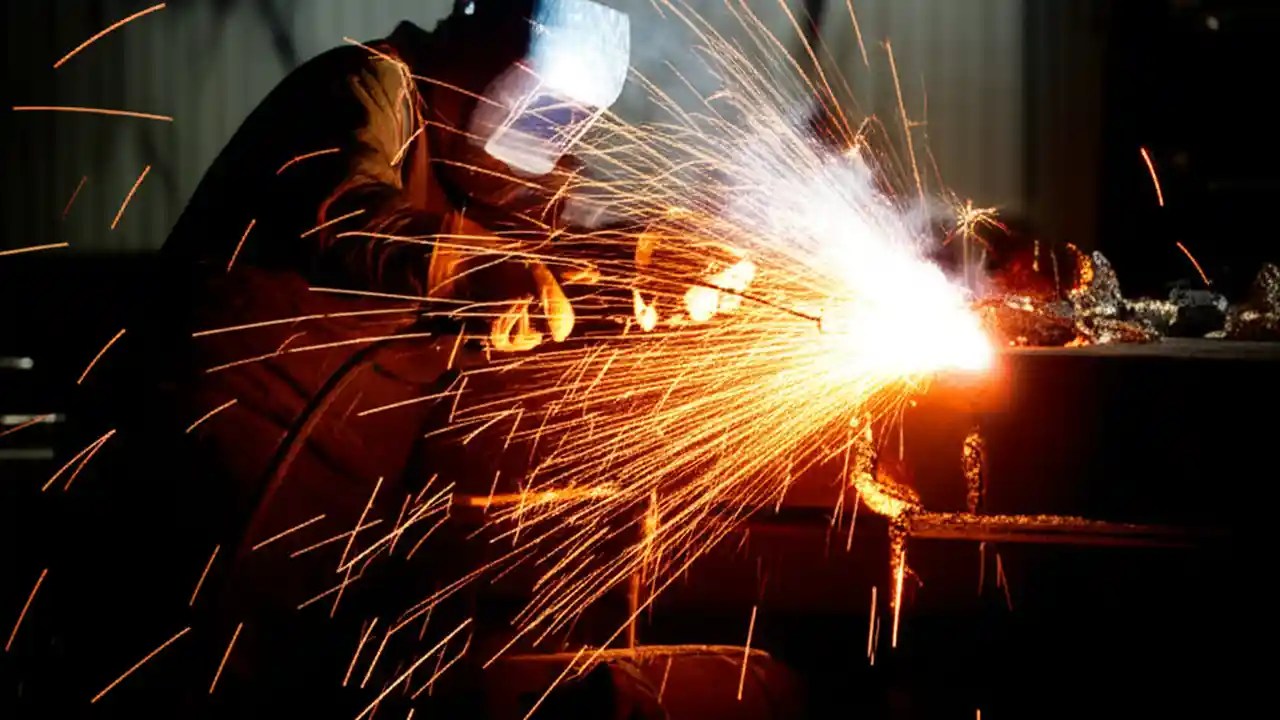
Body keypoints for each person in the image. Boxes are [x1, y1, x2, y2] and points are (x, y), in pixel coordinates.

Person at [31, 2, 661, 717]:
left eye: (562, 121)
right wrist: (471, 269)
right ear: (476, 47)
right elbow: (344, 210)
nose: (537, 138)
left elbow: (542, 247)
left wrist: (641, 263)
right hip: (195, 497)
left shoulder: (481, 165)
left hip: (324, 538)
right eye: (531, 104)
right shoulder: (366, 88)